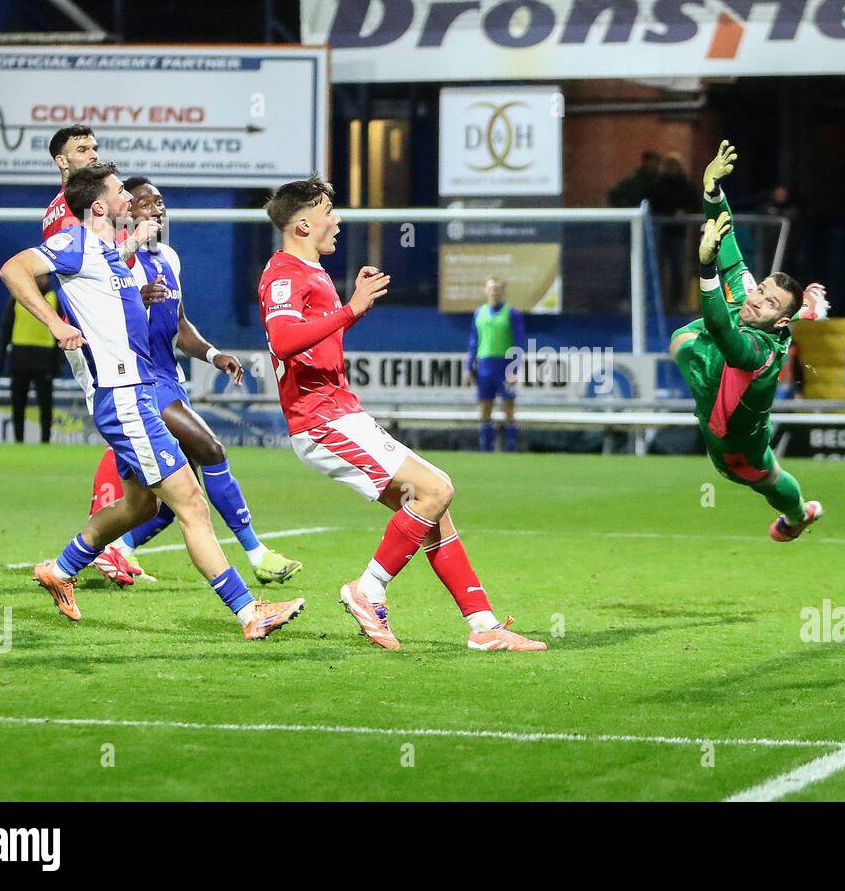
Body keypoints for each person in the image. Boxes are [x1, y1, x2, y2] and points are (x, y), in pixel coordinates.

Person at [0, 162, 305, 639]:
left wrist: (134, 243)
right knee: (191, 505)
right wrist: (54, 324)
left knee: (141, 507)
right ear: (99, 206)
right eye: (121, 191)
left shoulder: (105, 251)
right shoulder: (74, 243)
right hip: (125, 398)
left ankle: (60, 569)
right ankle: (249, 612)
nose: (129, 196)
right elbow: (13, 269)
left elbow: (112, 274)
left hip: (133, 395)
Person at [258, 175, 547, 652]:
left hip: (339, 413)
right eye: (329, 212)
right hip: (321, 421)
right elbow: (284, 341)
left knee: (434, 512)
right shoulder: (286, 273)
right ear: (304, 224)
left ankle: (483, 627)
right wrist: (351, 309)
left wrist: (352, 304)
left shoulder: (310, 273)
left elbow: (315, 338)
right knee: (437, 489)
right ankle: (367, 590)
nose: (338, 220)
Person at [94, 177, 302, 584]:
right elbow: (99, 318)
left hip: (169, 378)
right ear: (125, 211)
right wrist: (134, 299)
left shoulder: (169, 258)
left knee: (166, 501)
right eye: (144, 202)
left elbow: (181, 325)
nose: (157, 207)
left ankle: (116, 549)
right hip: (139, 384)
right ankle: (258, 555)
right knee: (212, 449)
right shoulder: (115, 262)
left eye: (160, 201)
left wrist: (214, 355)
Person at [669, 140, 829, 541]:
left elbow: (722, 329)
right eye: (761, 290)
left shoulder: (759, 351)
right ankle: (797, 513)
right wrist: (712, 191)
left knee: (767, 476)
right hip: (737, 403)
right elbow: (728, 242)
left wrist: (705, 266)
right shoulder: (752, 301)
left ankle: (797, 515)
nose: (756, 299)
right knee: (693, 333)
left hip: (735, 446)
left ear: (780, 321)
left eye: (769, 302)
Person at [41, 125, 140, 585]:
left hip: (114, 334)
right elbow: (81, 265)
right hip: (93, 339)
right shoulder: (66, 214)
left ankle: (113, 541)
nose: (91, 153)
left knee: (132, 430)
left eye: (95, 146)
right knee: (118, 428)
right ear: (62, 161)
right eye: (81, 149)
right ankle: (105, 544)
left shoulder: (99, 206)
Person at [0, 277, 63, 444]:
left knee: (46, 406)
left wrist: (57, 361)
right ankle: (18, 440)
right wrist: (1, 357)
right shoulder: (19, 299)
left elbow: (61, 332)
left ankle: (45, 441)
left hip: (44, 360)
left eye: (43, 276)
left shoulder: (54, 299)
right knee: (18, 405)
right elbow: (6, 328)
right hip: (20, 359)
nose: (40, 280)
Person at [465, 277, 524, 452]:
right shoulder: (479, 313)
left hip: (504, 366)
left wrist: (514, 368)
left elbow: (519, 343)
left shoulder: (512, 313)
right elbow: (474, 341)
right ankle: (486, 450)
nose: (494, 292)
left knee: (509, 408)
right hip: (484, 367)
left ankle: (511, 449)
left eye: (497, 289)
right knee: (484, 408)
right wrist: (468, 366)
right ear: (486, 290)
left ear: (503, 292)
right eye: (491, 289)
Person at [648, 152, 697, 311]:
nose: (671, 168)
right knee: (655, 268)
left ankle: (677, 302)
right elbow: (649, 205)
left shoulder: (686, 184)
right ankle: (654, 303)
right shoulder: (656, 184)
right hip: (658, 232)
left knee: (677, 269)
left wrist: (684, 211)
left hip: (677, 233)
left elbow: (695, 204)